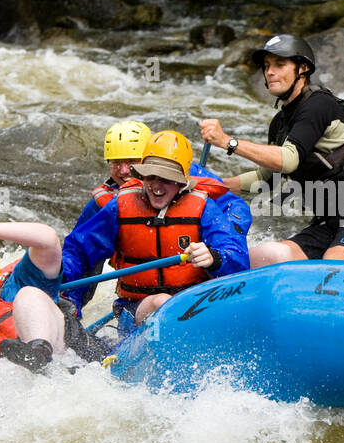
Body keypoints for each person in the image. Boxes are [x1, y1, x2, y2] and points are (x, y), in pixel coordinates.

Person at [199, 34, 344, 266]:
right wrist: (211, 186)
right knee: (263, 256)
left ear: (303, 68)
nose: (270, 72)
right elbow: (266, 180)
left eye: (279, 64)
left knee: (333, 262)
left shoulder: (319, 105)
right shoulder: (279, 123)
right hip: (331, 220)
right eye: (267, 66)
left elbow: (288, 160)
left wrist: (228, 142)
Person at [61, 130, 250, 330]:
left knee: (175, 305)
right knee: (161, 303)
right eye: (151, 177)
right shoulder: (119, 206)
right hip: (137, 310)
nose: (157, 187)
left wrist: (216, 258)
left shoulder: (204, 207)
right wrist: (55, 273)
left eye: (167, 179)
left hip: (193, 305)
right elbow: (79, 251)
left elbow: (237, 258)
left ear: (182, 181)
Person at [0, 216, 108, 377]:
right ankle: (30, 366)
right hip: (21, 381)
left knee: (28, 293)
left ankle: (38, 351)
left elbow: (48, 240)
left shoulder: (13, 283)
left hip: (72, 358)